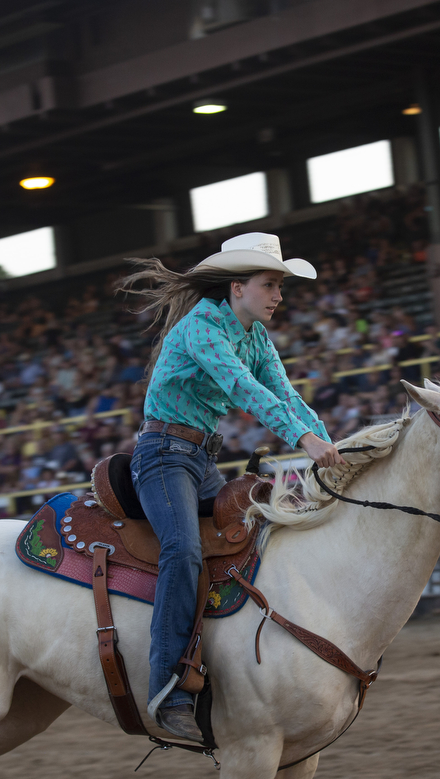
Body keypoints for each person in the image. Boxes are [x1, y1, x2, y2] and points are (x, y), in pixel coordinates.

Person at [118, 232, 342, 743]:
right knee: (183, 548)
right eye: (270, 284)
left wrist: (332, 450)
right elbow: (245, 389)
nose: (278, 295)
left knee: (252, 539)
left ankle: (230, 664)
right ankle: (167, 688)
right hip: (162, 456)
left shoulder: (256, 338)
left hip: (199, 459)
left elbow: (285, 394)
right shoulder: (202, 329)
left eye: (280, 286)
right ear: (238, 287)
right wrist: (305, 440)